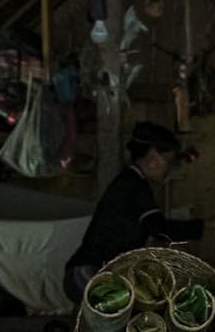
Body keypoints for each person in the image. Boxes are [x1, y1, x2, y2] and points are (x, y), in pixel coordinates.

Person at [62, 121, 204, 304]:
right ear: (153, 156)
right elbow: (159, 227)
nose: (168, 168)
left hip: (86, 271)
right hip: (88, 272)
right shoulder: (135, 185)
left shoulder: (130, 181)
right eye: (168, 161)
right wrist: (202, 226)